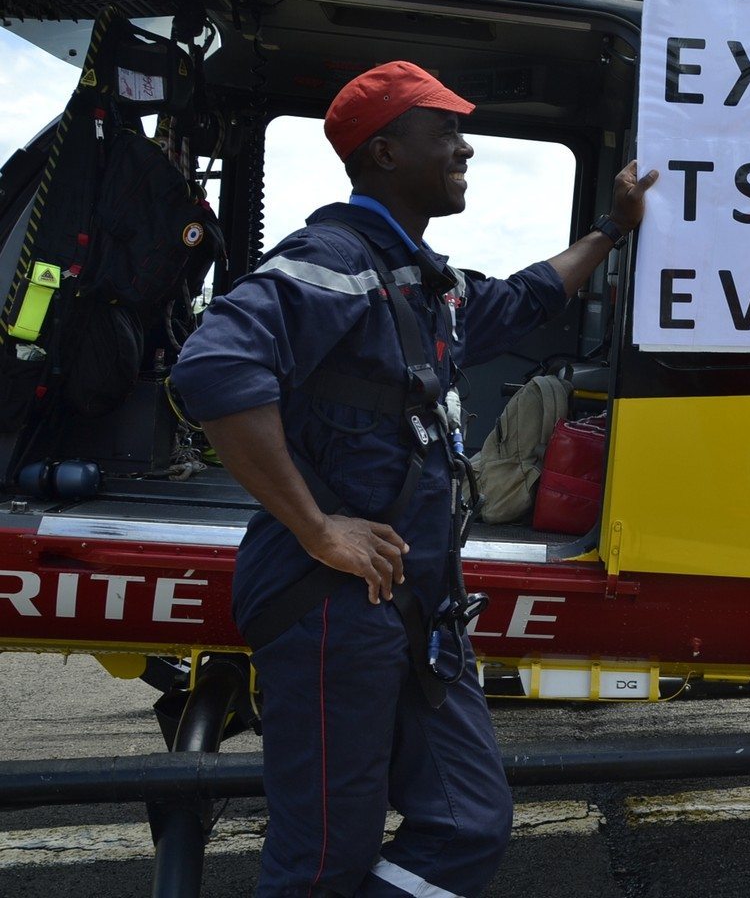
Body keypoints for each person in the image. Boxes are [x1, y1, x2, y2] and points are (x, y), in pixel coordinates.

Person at [171, 60, 657, 896]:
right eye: (447, 131)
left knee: (469, 821)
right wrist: (319, 528)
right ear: (386, 153)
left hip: (420, 608)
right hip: (330, 609)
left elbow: (524, 298)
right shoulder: (331, 259)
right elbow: (213, 369)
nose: (466, 148)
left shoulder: (422, 282)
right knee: (326, 859)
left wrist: (612, 232)